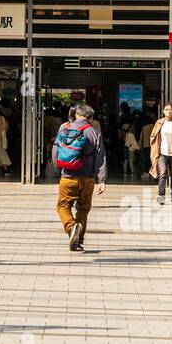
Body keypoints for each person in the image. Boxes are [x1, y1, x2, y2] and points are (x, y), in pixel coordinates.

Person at [53, 103, 107, 252]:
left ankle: (71, 229)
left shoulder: (64, 129)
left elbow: (54, 153)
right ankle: (78, 242)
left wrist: (59, 170)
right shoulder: (95, 132)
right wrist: (101, 180)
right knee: (83, 209)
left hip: (68, 176)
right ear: (91, 117)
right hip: (88, 178)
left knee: (63, 206)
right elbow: (100, 157)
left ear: (76, 115)